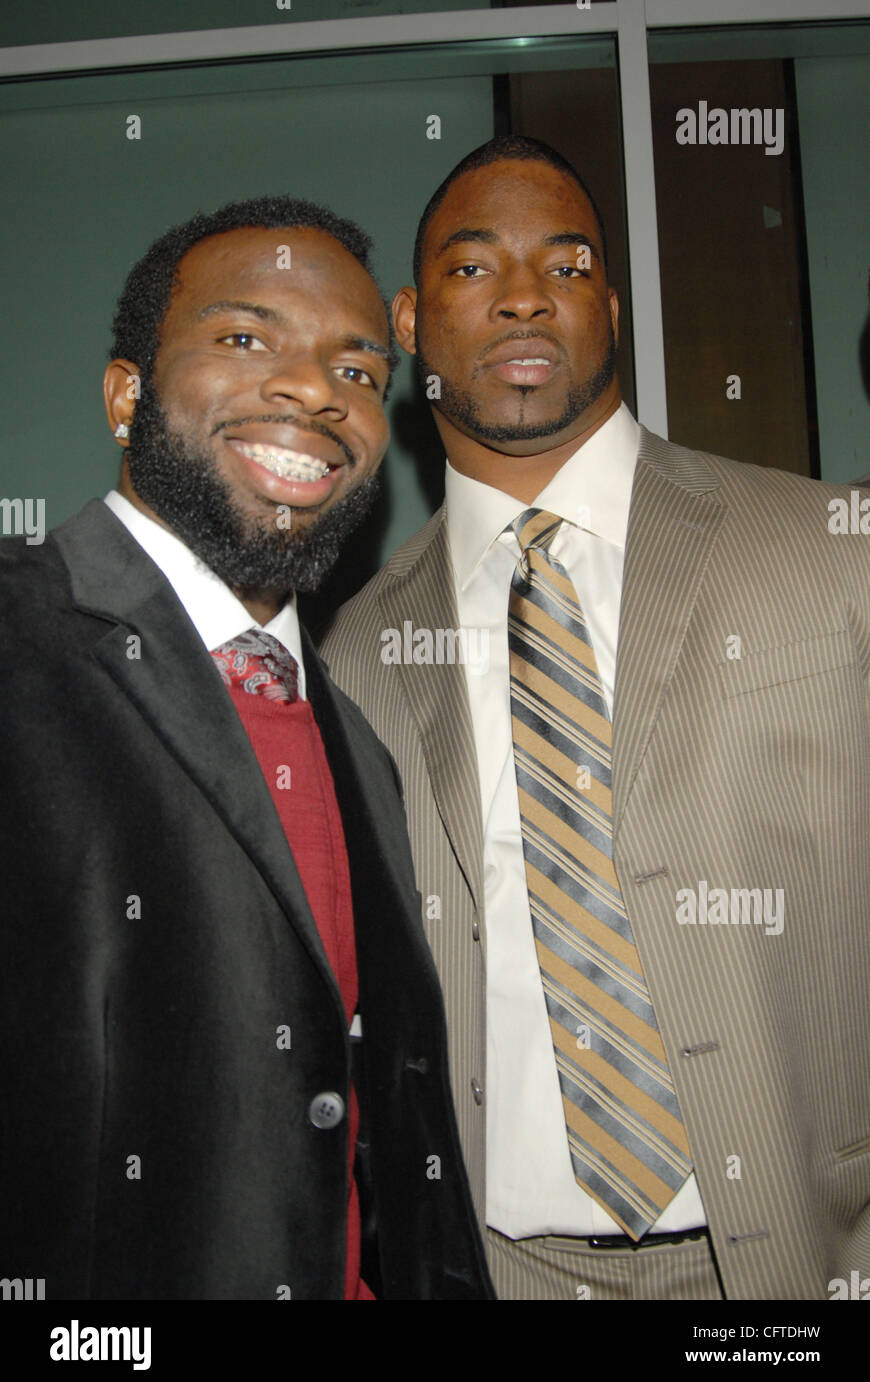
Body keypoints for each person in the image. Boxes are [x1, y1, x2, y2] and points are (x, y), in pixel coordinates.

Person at [321, 138, 870, 1301]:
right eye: (475, 269)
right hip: (499, 1273)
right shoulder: (355, 656)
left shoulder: (833, 553)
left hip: (806, 1264)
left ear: (610, 308)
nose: (525, 292)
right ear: (411, 322)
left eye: (566, 264)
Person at [0, 195, 493, 1301]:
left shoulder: (355, 740)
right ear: (126, 394)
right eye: (245, 339)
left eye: (361, 372)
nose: (317, 390)